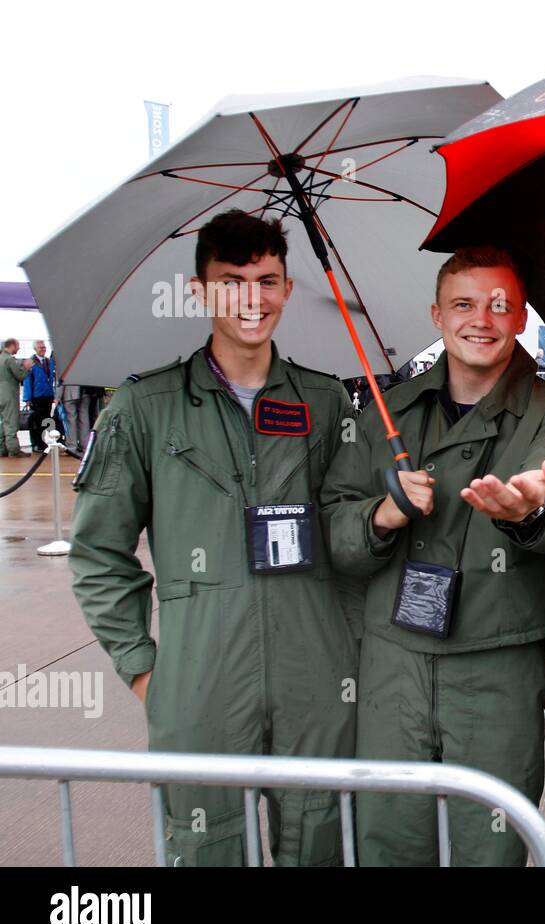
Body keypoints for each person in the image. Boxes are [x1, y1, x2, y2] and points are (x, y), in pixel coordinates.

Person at [69, 209, 360, 866]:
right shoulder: (144, 409)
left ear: (288, 288)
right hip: (198, 684)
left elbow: (353, 539)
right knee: (207, 851)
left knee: (320, 847)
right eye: (232, 281)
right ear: (199, 292)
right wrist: (144, 669)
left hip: (315, 679)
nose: (251, 299)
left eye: (267, 280)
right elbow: (97, 553)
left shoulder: (328, 405)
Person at [320, 245, 545, 867]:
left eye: (501, 305)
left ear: (521, 315)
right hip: (394, 664)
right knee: (390, 838)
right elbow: (335, 532)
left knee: (490, 842)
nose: (483, 318)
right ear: (437, 315)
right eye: (465, 304)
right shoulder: (386, 413)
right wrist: (381, 514)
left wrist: (531, 508)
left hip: (495, 664)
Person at [22, 340, 58, 452]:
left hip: (48, 395)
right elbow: (27, 381)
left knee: (46, 420)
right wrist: (27, 398)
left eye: (44, 347)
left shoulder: (49, 361)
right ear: (35, 349)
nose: (43, 349)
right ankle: (36, 444)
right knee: (36, 421)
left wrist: (55, 395)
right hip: (36, 396)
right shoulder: (31, 362)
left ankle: (44, 443)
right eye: (40, 347)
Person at [0, 338, 32, 457]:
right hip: (9, 395)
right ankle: (14, 450)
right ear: (12, 345)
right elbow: (20, 376)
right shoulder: (9, 360)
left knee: (3, 422)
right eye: (17, 346)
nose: (18, 348)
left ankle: (1, 449)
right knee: (11, 423)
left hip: (1, 395)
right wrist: (26, 367)